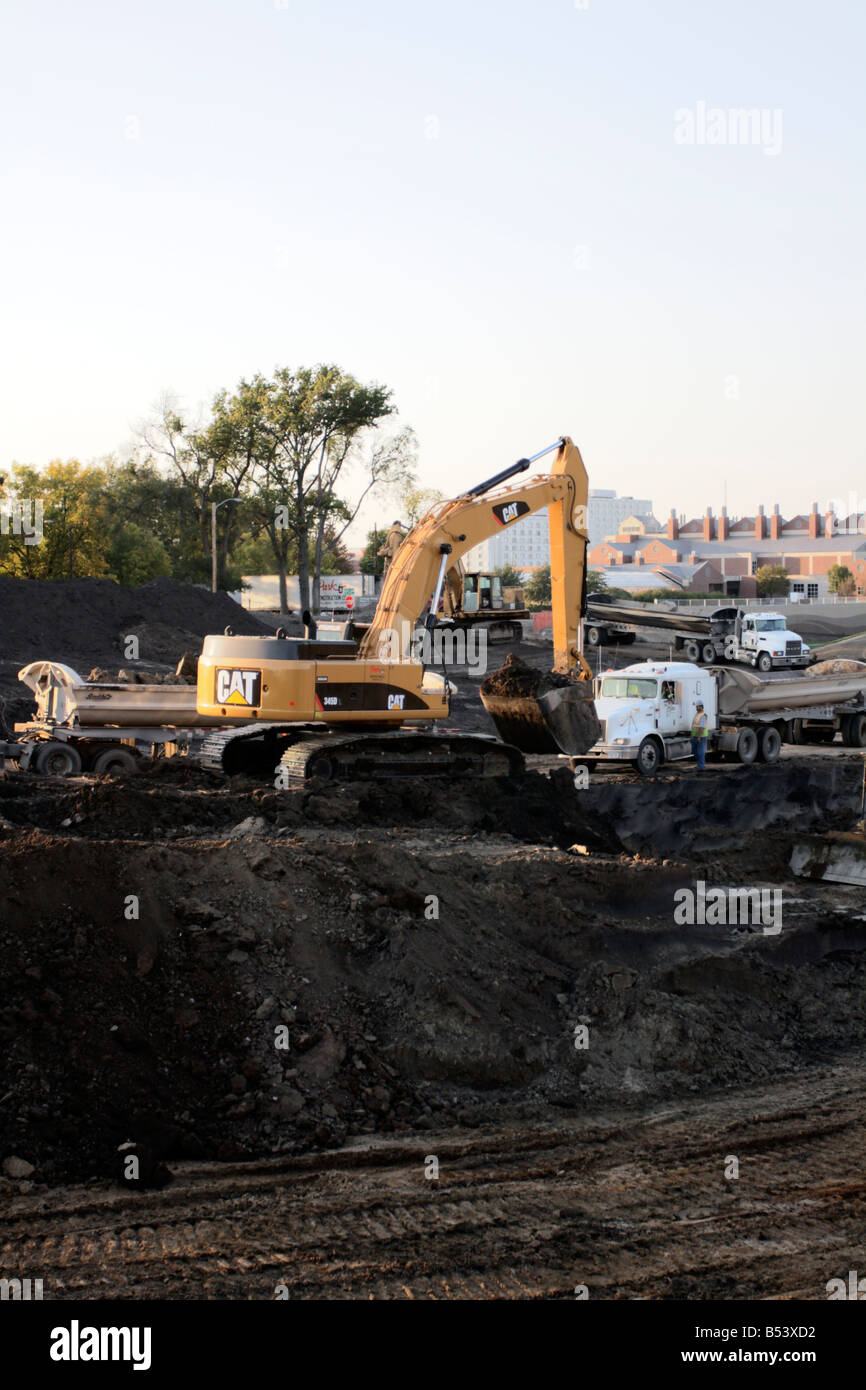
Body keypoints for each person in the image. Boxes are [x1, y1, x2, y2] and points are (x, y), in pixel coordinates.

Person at [691, 700, 709, 770]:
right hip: (695, 736)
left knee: (700, 752)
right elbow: (694, 725)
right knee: (695, 752)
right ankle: (699, 764)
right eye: (696, 706)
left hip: (701, 737)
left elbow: (701, 727)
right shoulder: (697, 714)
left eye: (698, 706)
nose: (696, 708)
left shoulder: (703, 715)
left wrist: (699, 737)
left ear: (701, 707)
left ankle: (701, 766)